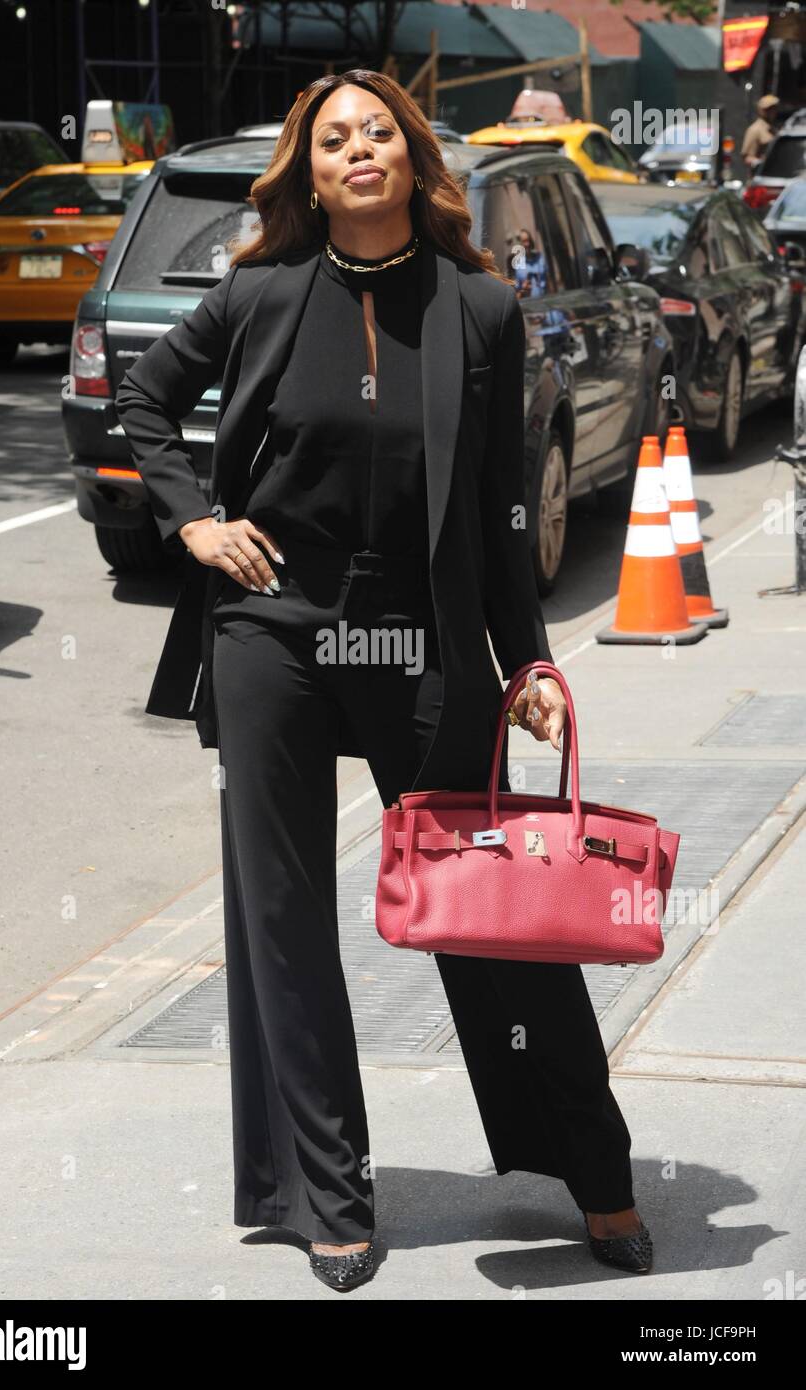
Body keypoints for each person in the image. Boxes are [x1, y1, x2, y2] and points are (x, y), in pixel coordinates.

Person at [115, 69, 653, 1292]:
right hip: (273, 642)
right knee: (284, 923)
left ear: (412, 156)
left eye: (378, 132)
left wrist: (528, 659)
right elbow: (147, 399)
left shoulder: (476, 305)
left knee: (494, 921)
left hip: (421, 647)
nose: (358, 150)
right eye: (332, 139)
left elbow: (503, 508)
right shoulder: (258, 291)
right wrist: (196, 521)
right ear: (308, 172)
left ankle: (593, 1169)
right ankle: (326, 1189)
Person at [742, 93, 780, 170]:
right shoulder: (755, 129)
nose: (773, 111)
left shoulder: (774, 128)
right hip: (761, 175)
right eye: (770, 109)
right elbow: (747, 157)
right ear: (762, 110)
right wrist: (761, 163)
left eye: (774, 108)